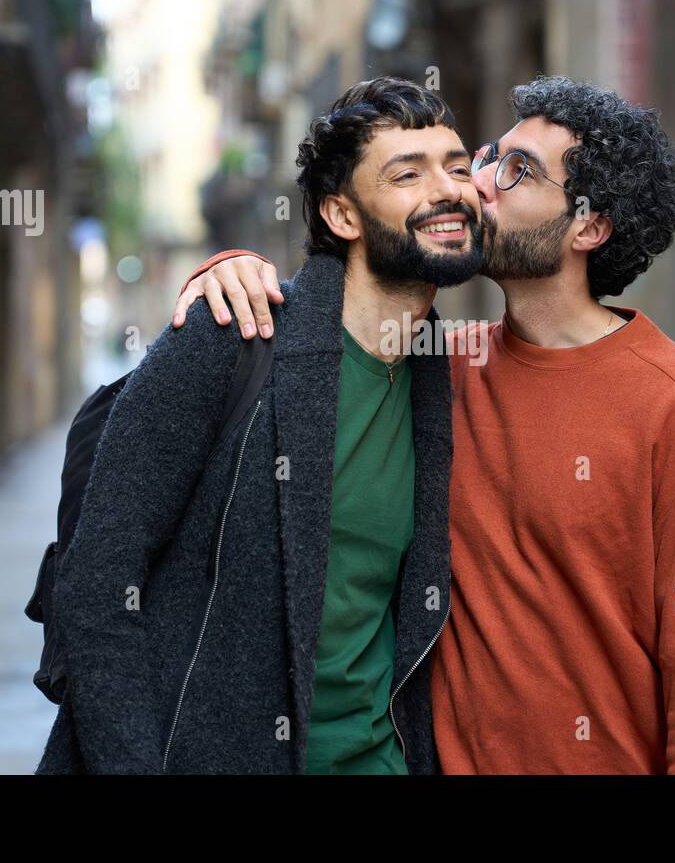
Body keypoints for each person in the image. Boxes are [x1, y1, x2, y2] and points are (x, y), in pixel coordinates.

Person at [174, 75, 675, 773]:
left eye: (518, 171)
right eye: (490, 157)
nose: (479, 184)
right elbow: (335, 323)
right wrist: (231, 272)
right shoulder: (436, 368)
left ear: (589, 225)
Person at [37, 76, 483, 774]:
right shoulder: (232, 334)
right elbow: (97, 583)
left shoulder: (445, 374)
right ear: (342, 215)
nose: (449, 188)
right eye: (409, 173)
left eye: (458, 166)